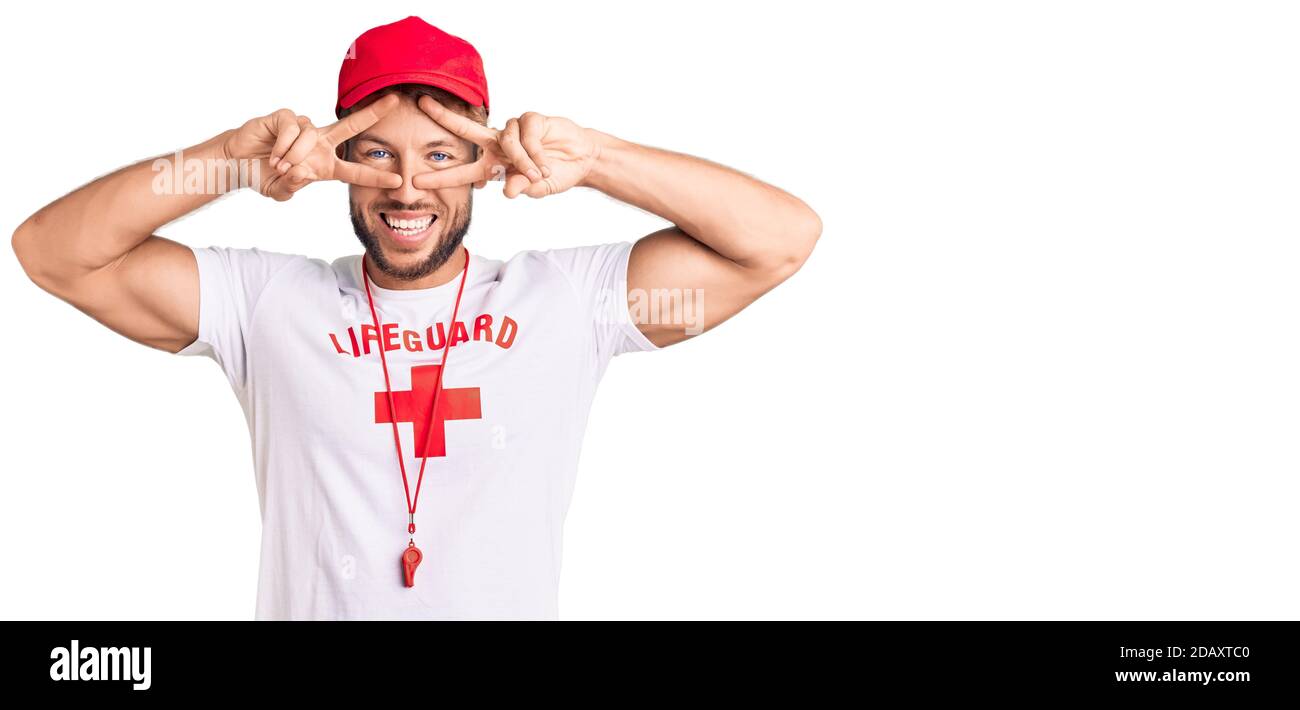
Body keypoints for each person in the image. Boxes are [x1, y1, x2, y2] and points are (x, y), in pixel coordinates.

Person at [11, 16, 821, 619]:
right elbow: (53, 252)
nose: (408, 188)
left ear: (484, 165)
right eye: (377, 155)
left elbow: (778, 242)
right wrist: (226, 160)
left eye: (441, 156)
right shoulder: (264, 308)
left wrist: (598, 160)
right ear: (338, 163)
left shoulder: (570, 305)